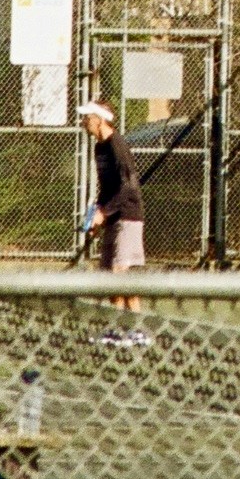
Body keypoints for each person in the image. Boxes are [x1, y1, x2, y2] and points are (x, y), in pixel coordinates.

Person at [80, 100, 148, 327]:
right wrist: (96, 215)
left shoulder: (117, 145)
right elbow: (107, 188)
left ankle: (129, 329)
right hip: (112, 217)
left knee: (120, 276)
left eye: (87, 117)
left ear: (99, 120)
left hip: (128, 217)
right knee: (110, 280)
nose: (83, 122)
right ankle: (120, 330)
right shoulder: (99, 147)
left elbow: (128, 187)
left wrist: (105, 212)